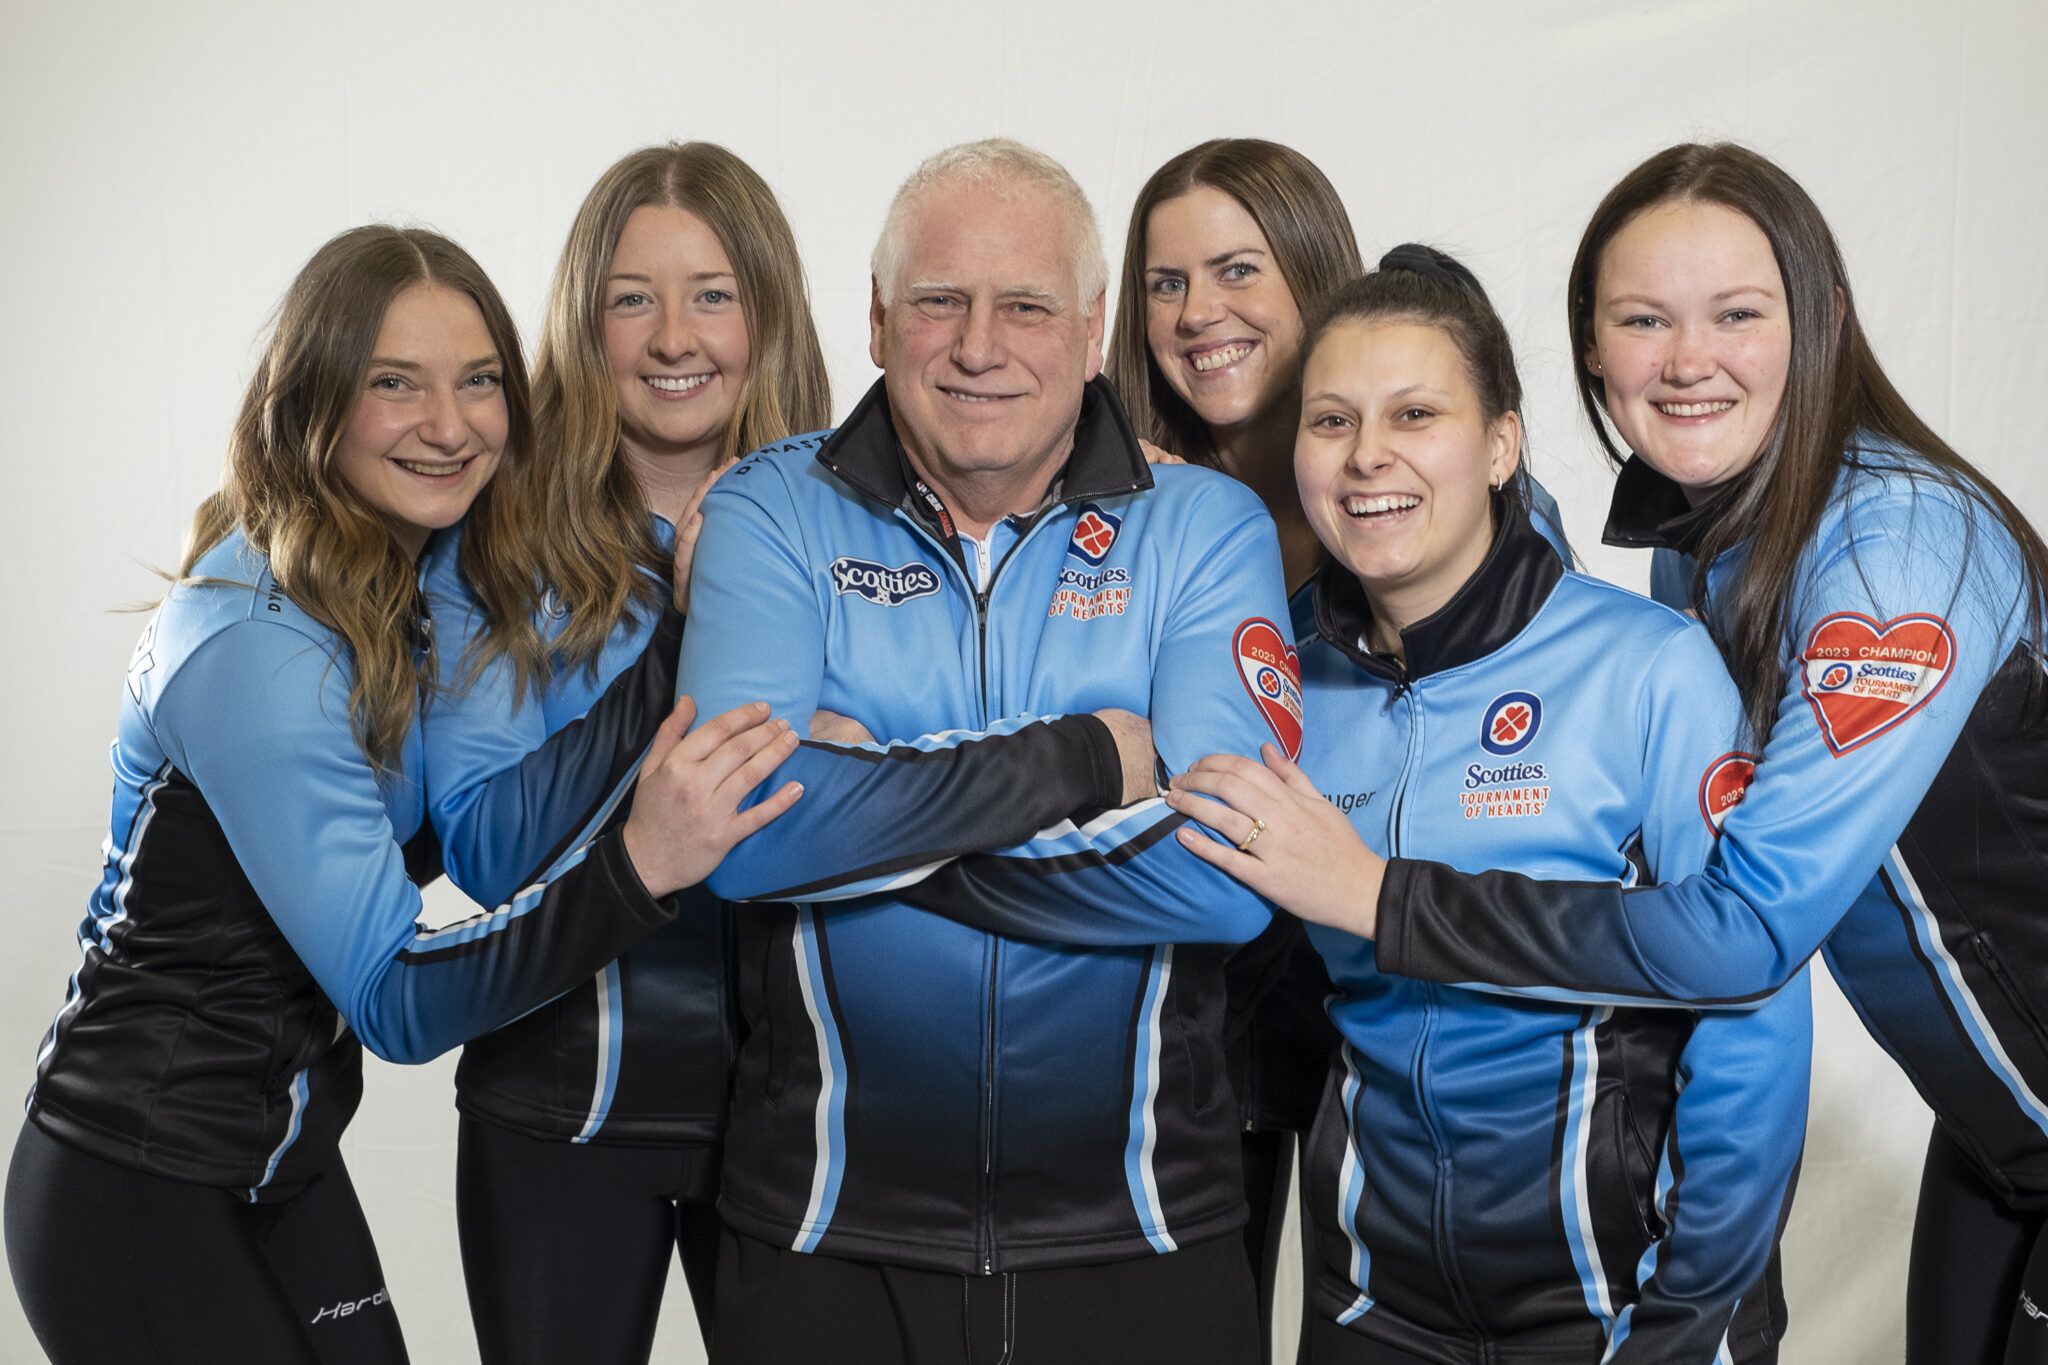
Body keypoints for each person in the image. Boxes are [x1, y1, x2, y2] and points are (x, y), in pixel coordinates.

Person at [1299, 144, 2048, 1364]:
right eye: (1642, 320)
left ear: (1821, 322)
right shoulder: (1706, 539)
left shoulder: (1894, 545)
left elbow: (1744, 930)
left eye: (1736, 316)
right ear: (1588, 348)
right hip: (1988, 1126)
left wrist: (1380, 901)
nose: (1686, 361)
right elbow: (1497, 581)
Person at [3, 225, 801, 1365]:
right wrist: (638, 865)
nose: (449, 423)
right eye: (395, 385)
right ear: (313, 402)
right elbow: (394, 996)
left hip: (280, 1161)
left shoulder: (396, 586)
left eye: (478, 382)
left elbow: (488, 825)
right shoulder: (255, 645)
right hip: (138, 1178)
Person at [674, 138, 1303, 1364]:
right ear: (872, 320)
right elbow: (738, 844)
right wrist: (1082, 762)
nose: (978, 346)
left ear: (1090, 327)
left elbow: (1228, 878)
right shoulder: (767, 507)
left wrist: (866, 792)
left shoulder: (1203, 527)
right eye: (936, 303)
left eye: (1022, 305)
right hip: (823, 1228)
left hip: (1138, 1228)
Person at [1167, 245, 1810, 1363]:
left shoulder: (1646, 669)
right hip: (1371, 1304)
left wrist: (1688, 1315)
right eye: (1330, 421)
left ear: (1501, 445)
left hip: (1613, 1303)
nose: (1367, 456)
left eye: (1414, 413)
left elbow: (1753, 1012)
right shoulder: (1279, 678)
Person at [1105, 137, 1577, 1349]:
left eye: (1236, 269)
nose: (1199, 312)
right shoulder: (1115, 506)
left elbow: (1533, 776)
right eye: (1165, 284)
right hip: (1187, 1021)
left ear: (1316, 277)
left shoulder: (1453, 490)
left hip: (1408, 1014)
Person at [416, 142, 830, 1363]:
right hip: (557, 1117)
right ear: (582, 323)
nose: (672, 337)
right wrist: (683, 642)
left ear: (765, 313)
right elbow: (486, 850)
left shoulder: (848, 528)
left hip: (793, 1114)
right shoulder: (492, 546)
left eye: (712, 293)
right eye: (630, 299)